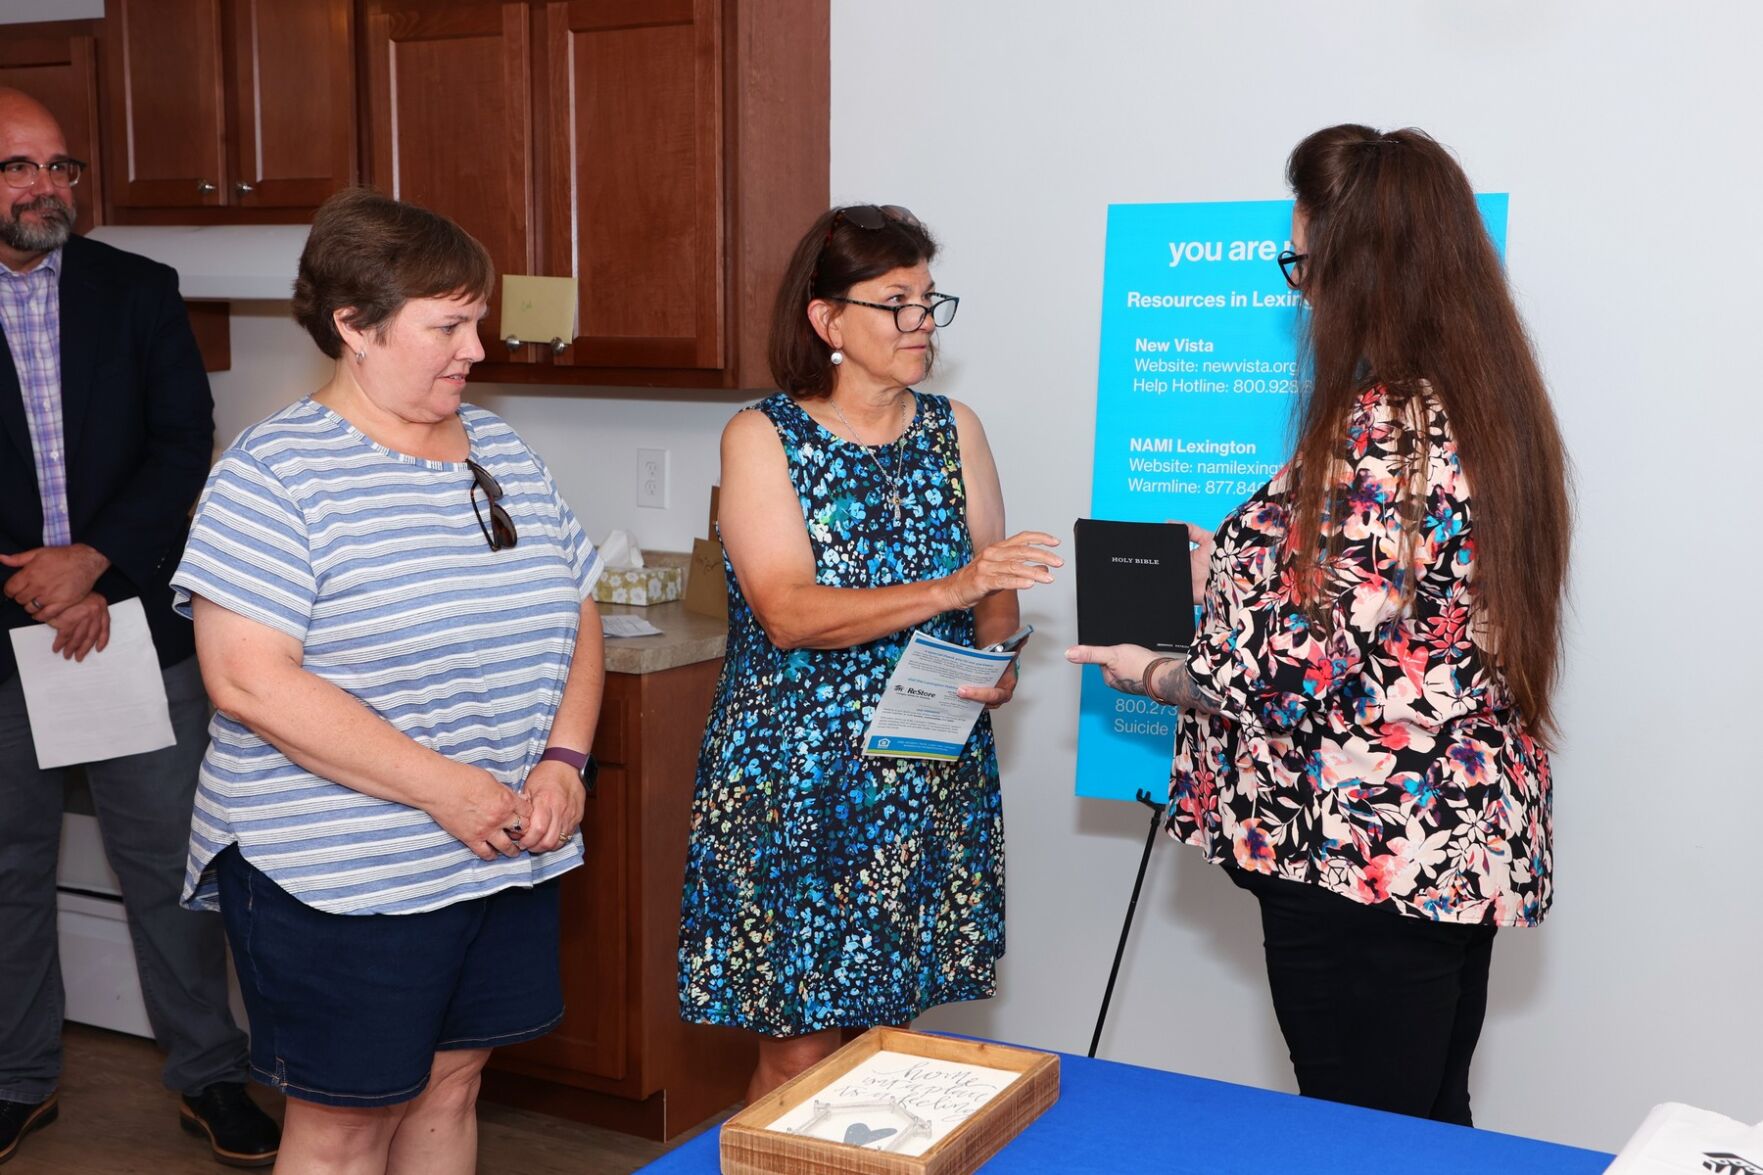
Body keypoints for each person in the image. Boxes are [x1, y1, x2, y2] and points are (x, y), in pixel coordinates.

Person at [1069, 125, 1570, 1125]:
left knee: (1352, 1132)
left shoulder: (1371, 434)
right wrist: (1233, 572)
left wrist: (1150, 673)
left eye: (1301, 264)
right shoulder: (1481, 409)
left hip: (1354, 857)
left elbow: (1278, 674)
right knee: (1425, 1123)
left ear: (1357, 271)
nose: (1299, 294)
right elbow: (1399, 618)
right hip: (1445, 847)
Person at [170, 188, 605, 1174]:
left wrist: (565, 757)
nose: (476, 348)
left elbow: (580, 600)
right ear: (354, 326)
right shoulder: (272, 474)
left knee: (452, 1085)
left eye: (476, 321)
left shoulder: (497, 450)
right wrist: (444, 786)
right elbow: (247, 682)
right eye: (447, 324)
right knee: (344, 1127)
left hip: (492, 846)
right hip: (337, 873)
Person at [678, 204, 1061, 1099]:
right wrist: (951, 591)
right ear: (828, 320)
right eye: (897, 302)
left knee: (888, 1039)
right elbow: (788, 613)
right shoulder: (761, 436)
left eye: (929, 299)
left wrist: (996, 657)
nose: (922, 322)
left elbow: (992, 584)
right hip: (795, 781)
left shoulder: (953, 428)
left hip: (923, 772)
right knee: (799, 1045)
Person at [0, 88, 279, 1167]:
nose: (46, 188)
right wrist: (36, 581)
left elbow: (182, 443)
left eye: (60, 167)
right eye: (19, 167)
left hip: (123, 626)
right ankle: (19, 1078)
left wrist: (91, 563)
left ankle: (210, 1072)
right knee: (8, 870)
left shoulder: (137, 291)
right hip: (6, 633)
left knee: (172, 864)